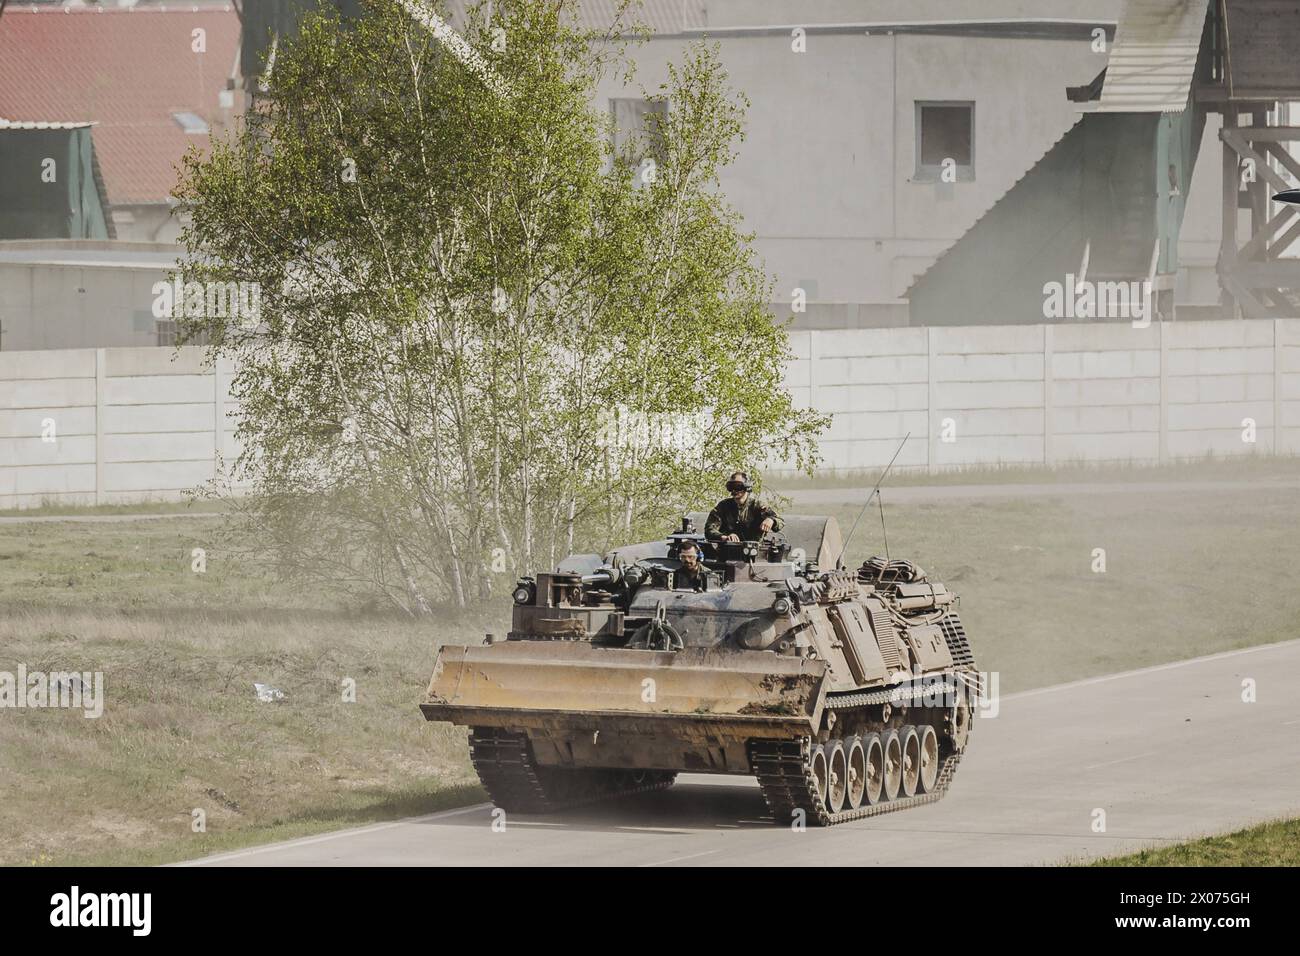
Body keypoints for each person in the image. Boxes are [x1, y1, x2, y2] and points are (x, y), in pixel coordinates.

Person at [705, 471, 782, 542]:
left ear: (746, 487)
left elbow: (780, 521)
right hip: (728, 549)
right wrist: (724, 537)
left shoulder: (757, 506)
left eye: (737, 486)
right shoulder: (723, 506)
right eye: (731, 487)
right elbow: (709, 530)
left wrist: (771, 520)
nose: (734, 491)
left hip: (754, 551)